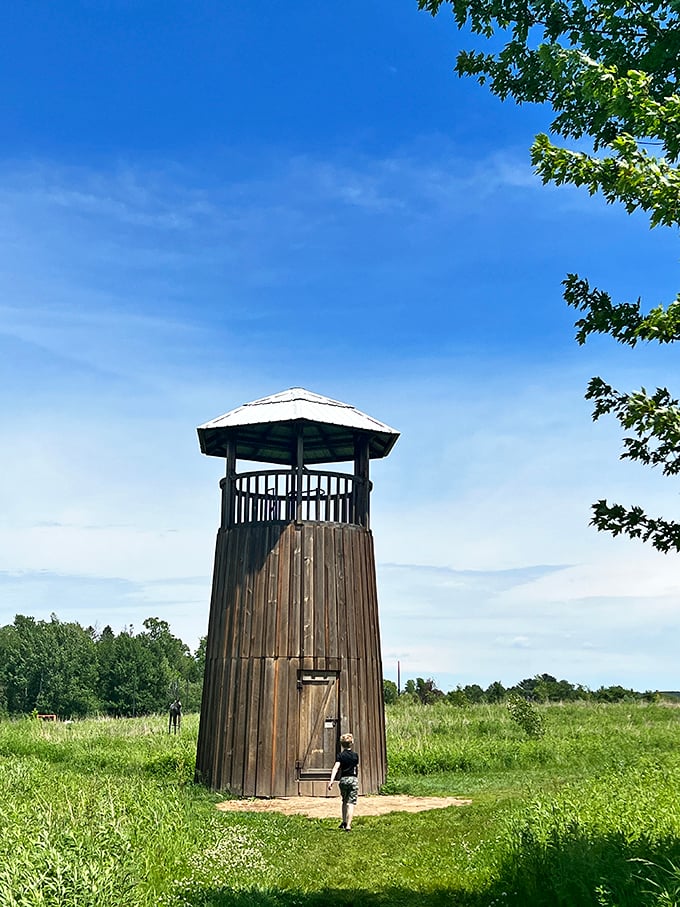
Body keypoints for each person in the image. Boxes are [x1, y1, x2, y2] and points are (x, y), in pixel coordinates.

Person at [327, 732, 359, 831]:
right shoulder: (355, 756)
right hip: (353, 779)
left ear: (341, 744)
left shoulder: (340, 756)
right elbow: (356, 768)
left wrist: (331, 780)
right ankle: (348, 825)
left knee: (344, 801)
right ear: (351, 743)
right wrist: (356, 778)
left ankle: (344, 821)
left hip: (344, 780)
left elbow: (335, 768)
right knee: (351, 802)